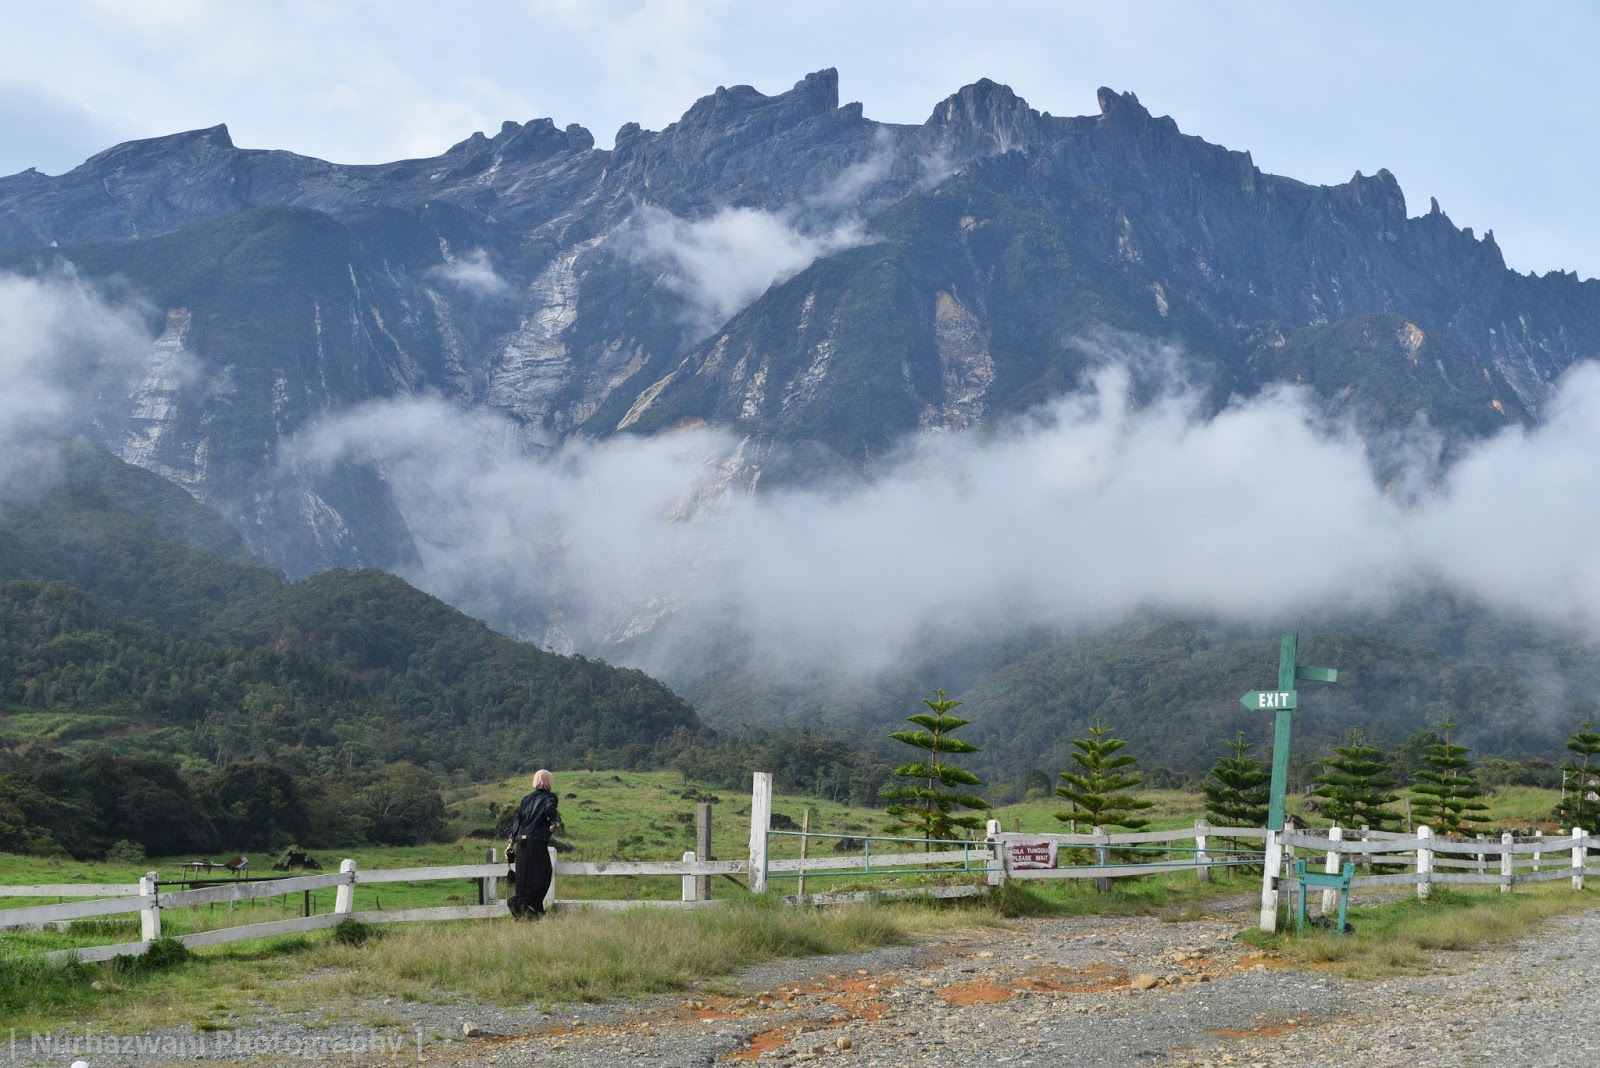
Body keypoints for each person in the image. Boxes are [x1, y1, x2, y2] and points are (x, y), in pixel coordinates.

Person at [506, 769, 560, 919]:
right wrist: (555, 823)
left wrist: (510, 844)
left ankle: (534, 915)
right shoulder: (550, 797)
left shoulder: (526, 799)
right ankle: (519, 906)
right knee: (543, 876)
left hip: (521, 844)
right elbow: (549, 810)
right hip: (536, 842)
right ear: (549, 781)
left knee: (523, 881)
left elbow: (518, 821)